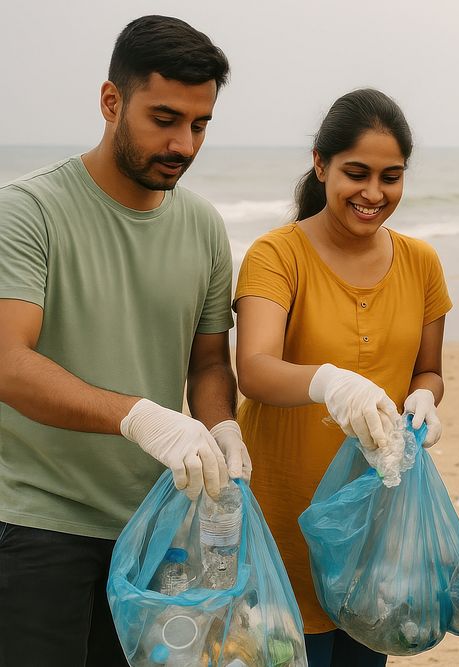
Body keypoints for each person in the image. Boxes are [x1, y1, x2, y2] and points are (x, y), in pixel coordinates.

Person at [0, 15, 249, 667]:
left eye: (199, 124)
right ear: (111, 101)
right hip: (34, 523)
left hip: (154, 529)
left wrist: (222, 426)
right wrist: (136, 416)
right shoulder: (27, 212)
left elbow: (207, 362)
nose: (183, 142)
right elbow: (9, 363)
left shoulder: (202, 226)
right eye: (164, 118)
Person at [233, 88, 452, 667]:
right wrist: (331, 382)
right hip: (280, 521)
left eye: (391, 177)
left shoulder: (421, 263)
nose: (374, 194)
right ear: (320, 163)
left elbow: (428, 370)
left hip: (373, 531)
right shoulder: (276, 255)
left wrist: (426, 401)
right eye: (356, 173)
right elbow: (253, 369)